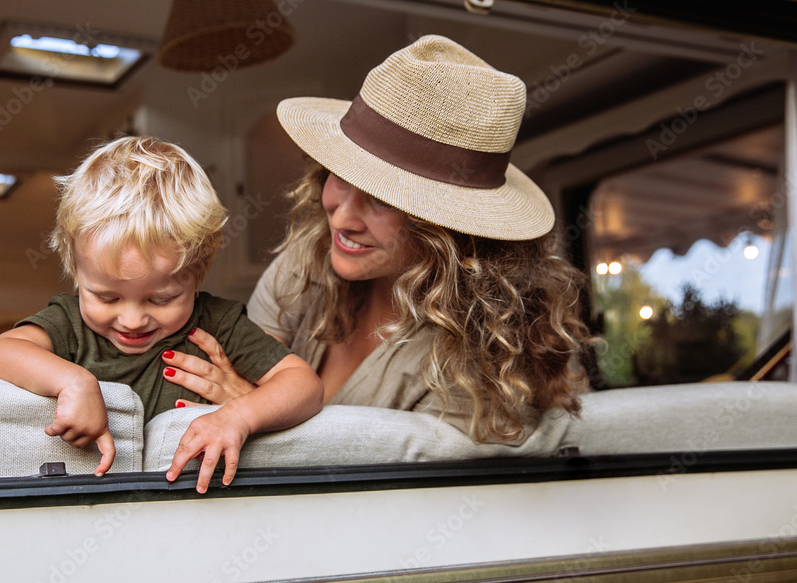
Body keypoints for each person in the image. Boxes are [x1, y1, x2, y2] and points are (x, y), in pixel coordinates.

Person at [164, 35, 594, 445]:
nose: (342, 218)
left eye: (380, 200)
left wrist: (249, 407)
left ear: (450, 228)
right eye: (339, 177)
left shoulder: (488, 355)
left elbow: (399, 495)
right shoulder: (307, 259)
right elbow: (234, 368)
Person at [0, 135, 323, 492]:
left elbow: (305, 386)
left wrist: (238, 416)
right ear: (76, 270)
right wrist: (74, 382)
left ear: (198, 273)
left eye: (160, 299)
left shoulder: (218, 323)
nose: (131, 320)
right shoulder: (69, 323)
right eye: (107, 298)